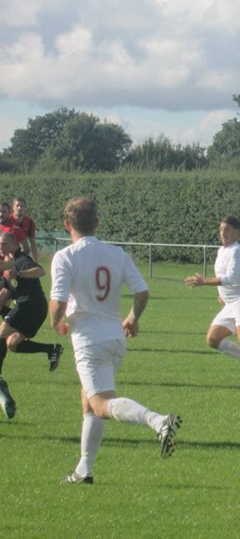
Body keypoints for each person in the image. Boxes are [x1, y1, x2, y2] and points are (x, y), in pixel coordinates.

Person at [50, 197, 181, 485]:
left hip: (89, 340)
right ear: (97, 223)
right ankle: (84, 470)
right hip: (115, 338)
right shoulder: (117, 254)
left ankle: (158, 421)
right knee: (88, 401)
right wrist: (133, 318)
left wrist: (55, 322)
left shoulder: (65, 256)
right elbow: (142, 292)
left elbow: (58, 302)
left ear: (67, 225)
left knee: (99, 404)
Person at [185, 216, 240, 389]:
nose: (223, 233)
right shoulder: (221, 251)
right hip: (230, 303)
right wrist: (222, 295)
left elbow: (231, 278)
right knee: (212, 339)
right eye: (221, 230)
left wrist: (204, 282)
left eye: (227, 230)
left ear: (236, 232)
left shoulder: (237, 250)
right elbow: (224, 278)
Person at [0, 232, 63, 419]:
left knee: (2, 333)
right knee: (13, 344)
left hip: (29, 305)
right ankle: (52, 349)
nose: (1, 246)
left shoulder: (20, 258)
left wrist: (17, 272)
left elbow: (40, 271)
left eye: (4, 243)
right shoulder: (9, 263)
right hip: (35, 309)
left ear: (14, 244)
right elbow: (7, 293)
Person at [10, 197, 40, 262]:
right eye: (17, 206)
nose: (19, 208)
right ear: (13, 207)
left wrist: (36, 261)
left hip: (20, 252)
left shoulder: (30, 222)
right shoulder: (7, 220)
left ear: (25, 208)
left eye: (22, 206)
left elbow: (33, 243)